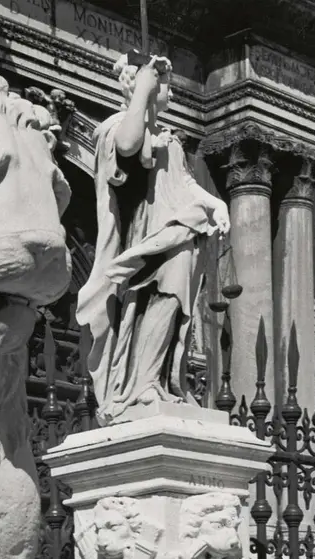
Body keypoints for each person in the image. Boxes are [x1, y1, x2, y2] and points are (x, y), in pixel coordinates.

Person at [77, 53, 230, 424]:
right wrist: (142, 91)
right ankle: (140, 383)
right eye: (166, 87)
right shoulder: (118, 127)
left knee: (175, 304)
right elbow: (128, 146)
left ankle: (156, 379)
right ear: (143, 84)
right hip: (147, 239)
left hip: (178, 234)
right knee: (161, 296)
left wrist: (217, 203)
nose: (172, 96)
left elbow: (186, 183)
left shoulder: (169, 139)